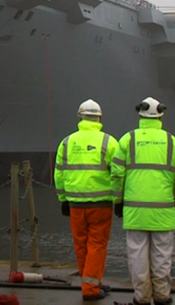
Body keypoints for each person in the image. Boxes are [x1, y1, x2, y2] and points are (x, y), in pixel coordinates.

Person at [111, 97, 175, 305]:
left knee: (137, 256)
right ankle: (162, 295)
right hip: (163, 210)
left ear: (140, 115)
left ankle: (141, 297)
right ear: (161, 116)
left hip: (135, 211)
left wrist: (118, 200)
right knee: (162, 256)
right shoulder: (172, 141)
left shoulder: (128, 140)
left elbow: (117, 174)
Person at [55, 99, 119, 301]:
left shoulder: (67, 142)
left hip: (75, 204)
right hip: (100, 204)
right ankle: (90, 288)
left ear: (80, 118)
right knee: (97, 245)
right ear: (99, 118)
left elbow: (59, 173)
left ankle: (90, 282)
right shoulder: (108, 141)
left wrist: (63, 199)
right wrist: (118, 198)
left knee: (81, 245)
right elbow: (117, 173)